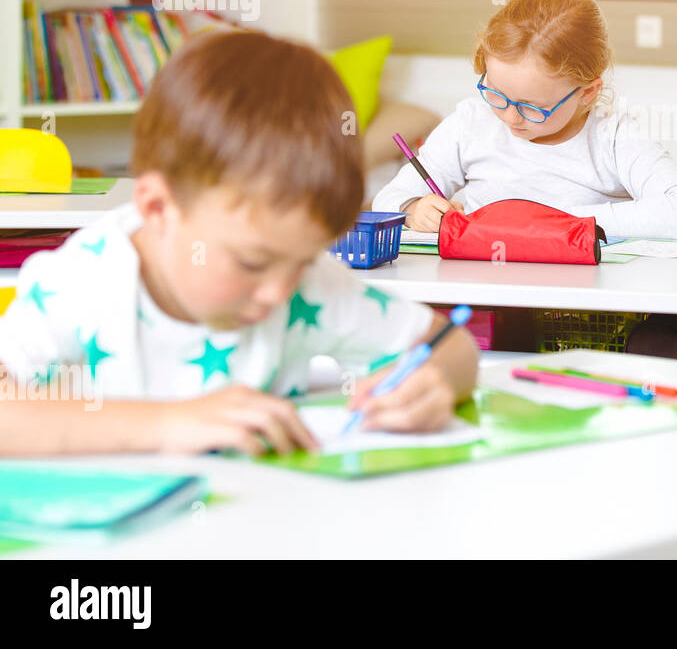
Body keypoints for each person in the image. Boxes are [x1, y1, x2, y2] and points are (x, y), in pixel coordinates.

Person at [0, 31, 479, 456]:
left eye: (303, 260)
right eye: (252, 262)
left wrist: (432, 384)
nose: (278, 292)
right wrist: (167, 424)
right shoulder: (81, 284)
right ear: (158, 209)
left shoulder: (302, 283)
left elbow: (453, 347)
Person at [373, 0, 677, 240]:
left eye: (533, 107)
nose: (510, 117)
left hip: (581, 312)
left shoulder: (613, 136)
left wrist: (544, 222)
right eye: (497, 94)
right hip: (485, 296)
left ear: (587, 92)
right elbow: (388, 200)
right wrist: (413, 210)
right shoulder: (472, 122)